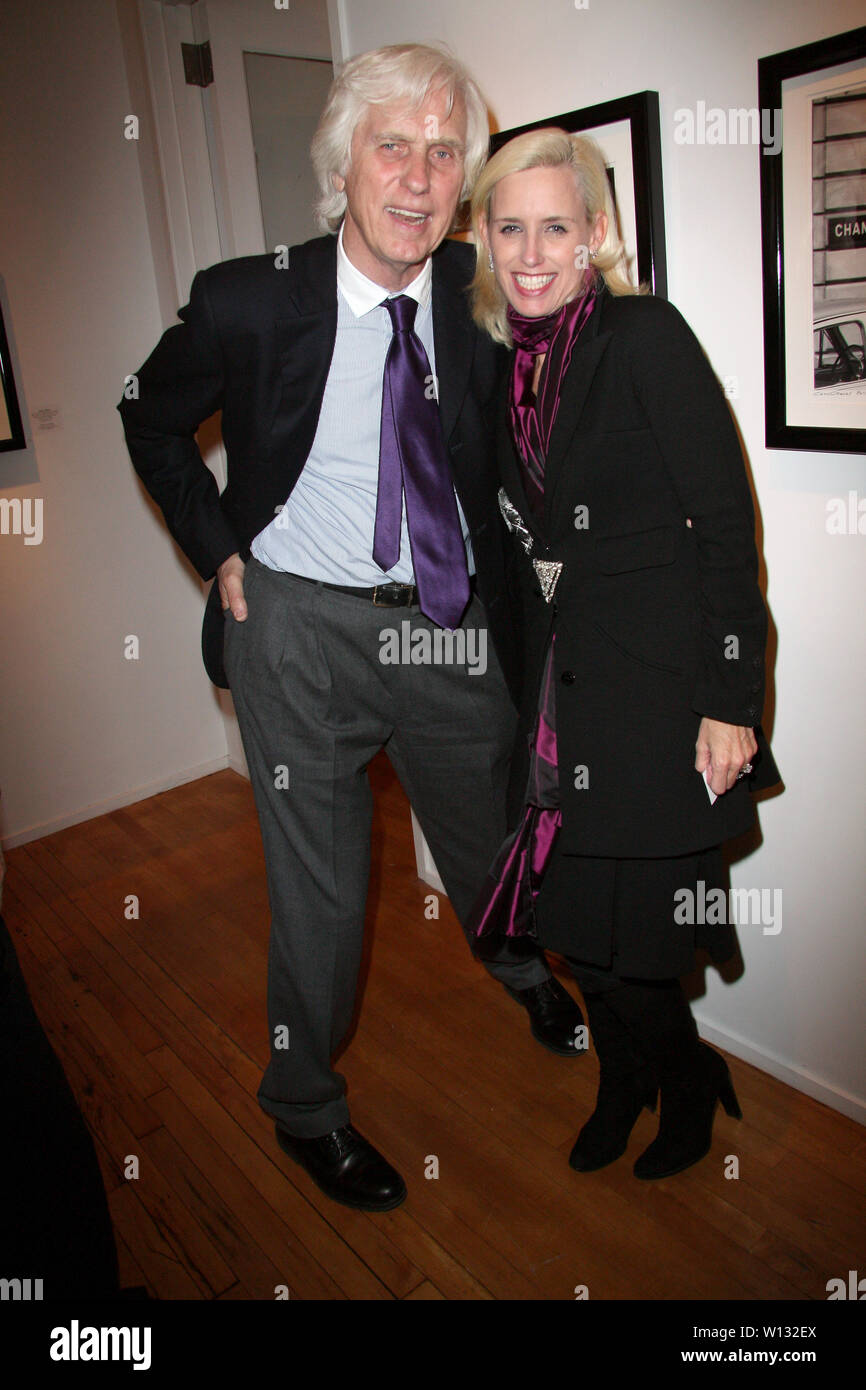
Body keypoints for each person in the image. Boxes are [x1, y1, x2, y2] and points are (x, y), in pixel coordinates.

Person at [117, 45, 584, 1214]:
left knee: (490, 842)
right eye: (394, 145)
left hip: (440, 623)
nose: (419, 179)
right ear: (342, 163)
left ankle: (518, 964)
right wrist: (218, 548)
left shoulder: (484, 291)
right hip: (297, 633)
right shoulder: (248, 296)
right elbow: (148, 417)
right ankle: (302, 1106)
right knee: (320, 902)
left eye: (442, 152)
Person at [468, 128, 781, 1180]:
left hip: (658, 705)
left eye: (554, 225)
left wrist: (730, 699)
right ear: (482, 234)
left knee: (642, 951)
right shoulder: (496, 361)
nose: (530, 249)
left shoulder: (642, 336)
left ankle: (685, 1081)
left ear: (594, 233)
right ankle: (622, 1080)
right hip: (563, 707)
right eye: (508, 225)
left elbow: (724, 523)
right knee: (576, 937)